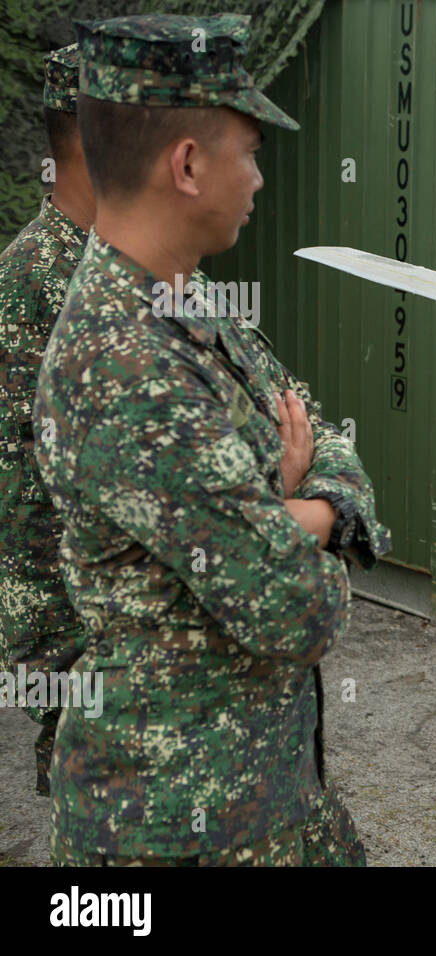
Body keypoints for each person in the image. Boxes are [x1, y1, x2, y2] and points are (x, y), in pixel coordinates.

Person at [34, 13, 388, 866]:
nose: (261, 178)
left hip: (259, 796)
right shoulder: (126, 362)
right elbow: (296, 607)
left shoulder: (182, 304)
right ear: (187, 163)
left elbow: (323, 429)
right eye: (251, 151)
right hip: (171, 821)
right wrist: (313, 515)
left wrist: (292, 505)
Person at [0, 44, 92, 797]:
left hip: (93, 591)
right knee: (78, 775)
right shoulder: (38, 273)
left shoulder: (108, 259)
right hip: (62, 595)